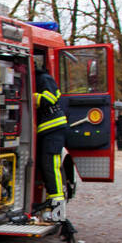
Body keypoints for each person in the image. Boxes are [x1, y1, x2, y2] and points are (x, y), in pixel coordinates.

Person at [33, 66, 69, 219]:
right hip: (47, 130)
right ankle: (51, 203)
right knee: (45, 165)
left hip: (53, 130)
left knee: (51, 166)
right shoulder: (40, 79)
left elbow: (50, 98)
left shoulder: (44, 78)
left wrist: (31, 96)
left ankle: (58, 211)